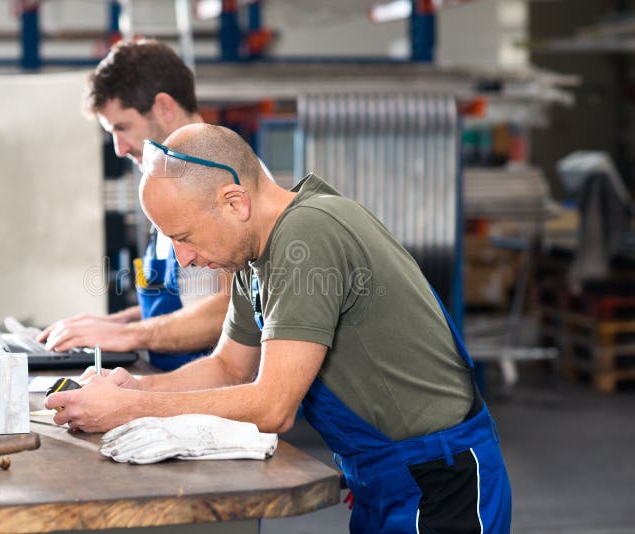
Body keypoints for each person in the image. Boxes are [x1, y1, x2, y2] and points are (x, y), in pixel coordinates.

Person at [45, 123, 513, 533]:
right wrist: (134, 386)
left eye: (183, 237)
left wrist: (128, 409)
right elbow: (229, 367)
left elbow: (272, 407)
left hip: (438, 483)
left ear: (234, 202)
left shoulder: (307, 236)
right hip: (384, 477)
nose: (183, 258)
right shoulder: (256, 258)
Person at [38, 39, 230, 371]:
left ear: (164, 107)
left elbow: (231, 311)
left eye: (123, 128)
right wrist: (113, 325)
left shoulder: (225, 178)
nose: (118, 148)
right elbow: (183, 300)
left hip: (212, 394)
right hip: (170, 376)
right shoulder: (172, 180)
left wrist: (131, 337)